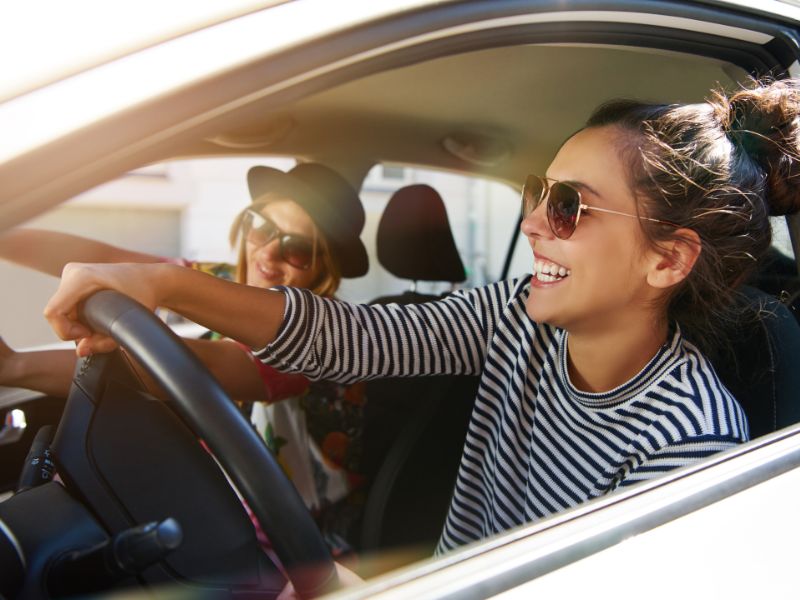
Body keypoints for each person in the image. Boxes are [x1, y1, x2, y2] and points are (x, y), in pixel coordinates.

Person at [42, 78, 800, 555]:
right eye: (538, 191)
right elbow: (355, 340)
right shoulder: (519, 318)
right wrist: (158, 284)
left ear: (666, 260)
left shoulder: (690, 441)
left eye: (567, 206)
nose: (535, 223)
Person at [0, 163, 370, 553]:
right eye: (262, 228)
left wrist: (15, 366)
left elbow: (194, 368)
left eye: (297, 249)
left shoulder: (322, 336)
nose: (268, 254)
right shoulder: (224, 279)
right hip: (218, 502)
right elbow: (105, 260)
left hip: (291, 545)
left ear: (323, 268)